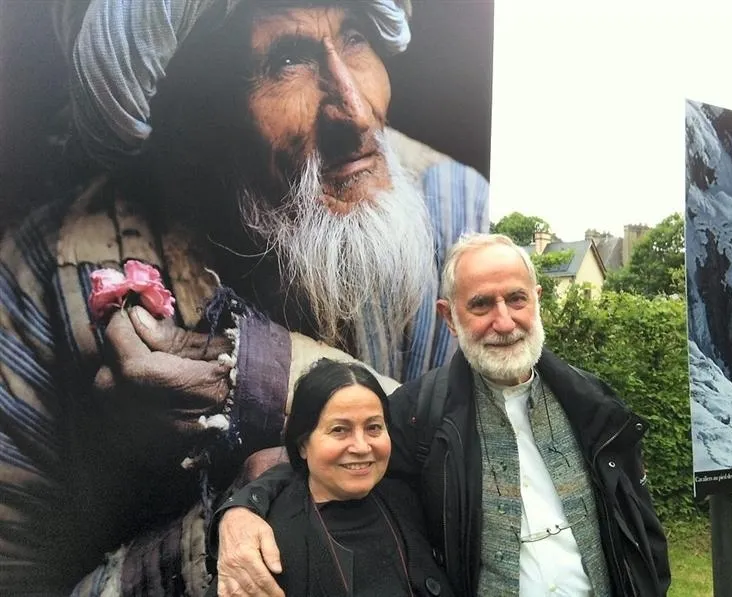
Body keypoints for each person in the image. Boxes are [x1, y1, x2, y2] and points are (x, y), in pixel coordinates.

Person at [0, 1, 488, 594]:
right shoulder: (40, 282)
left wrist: (267, 382)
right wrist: (211, 541)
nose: (357, 113)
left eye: (356, 37)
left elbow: (509, 497)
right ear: (189, 118)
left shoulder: (462, 217)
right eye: (287, 61)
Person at [215, 233, 672, 597]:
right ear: (449, 317)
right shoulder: (419, 413)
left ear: (537, 300)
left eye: (516, 299)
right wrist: (240, 511)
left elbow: (635, 518)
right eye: (481, 304)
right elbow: (331, 457)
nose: (504, 321)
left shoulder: (590, 400)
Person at [208, 358, 455, 597]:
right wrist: (236, 511)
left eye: (373, 427)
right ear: (303, 443)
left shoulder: (406, 499)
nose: (361, 446)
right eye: (339, 430)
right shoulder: (266, 546)